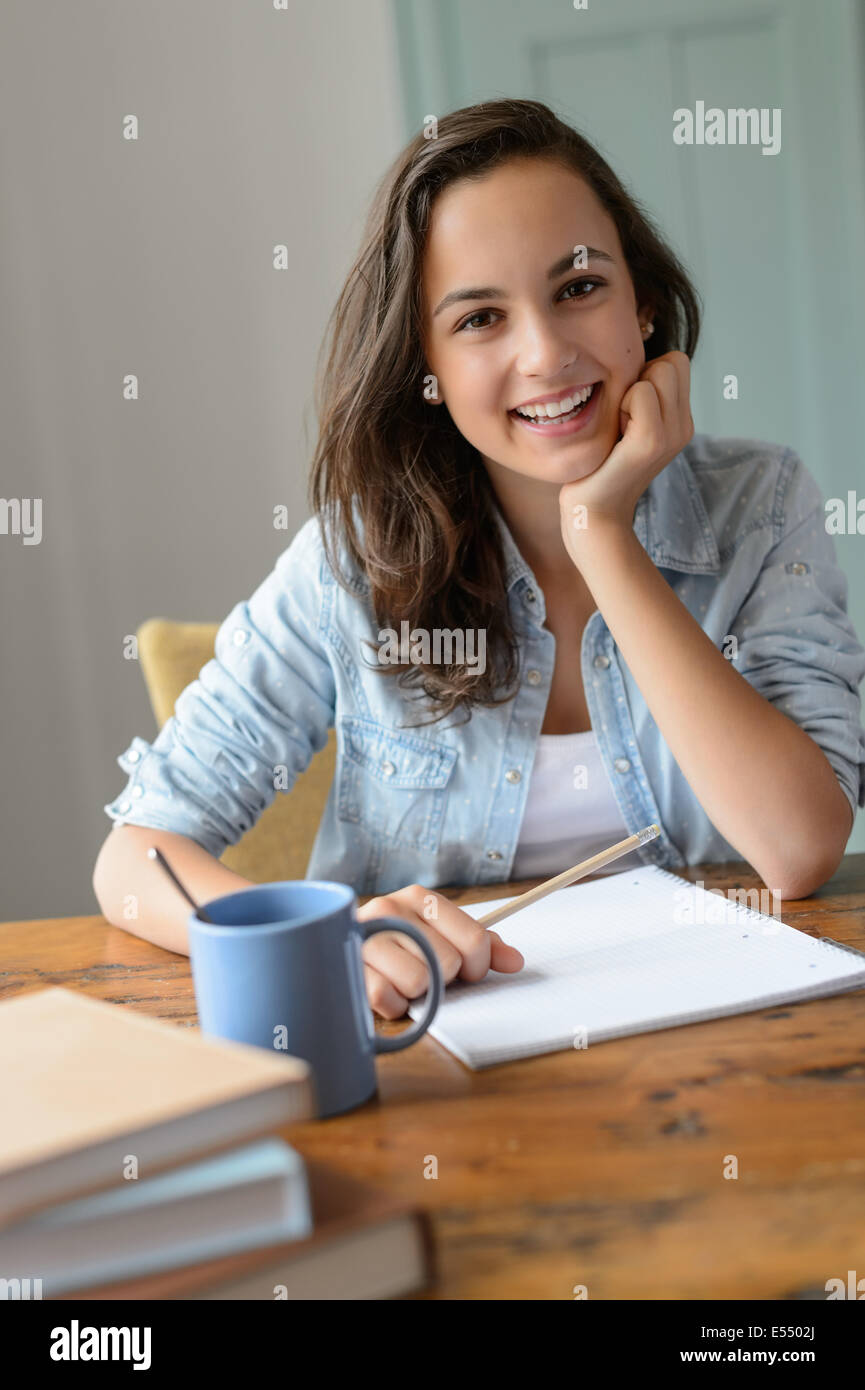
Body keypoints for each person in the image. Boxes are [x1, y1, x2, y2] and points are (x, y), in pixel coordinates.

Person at [93, 98, 865, 1021]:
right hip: (438, 1072)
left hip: (716, 1060)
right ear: (426, 363)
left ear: (642, 302)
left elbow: (797, 850)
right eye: (479, 320)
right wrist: (335, 938)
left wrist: (603, 537)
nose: (544, 353)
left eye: (578, 288)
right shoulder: (353, 561)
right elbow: (136, 858)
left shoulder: (759, 503)